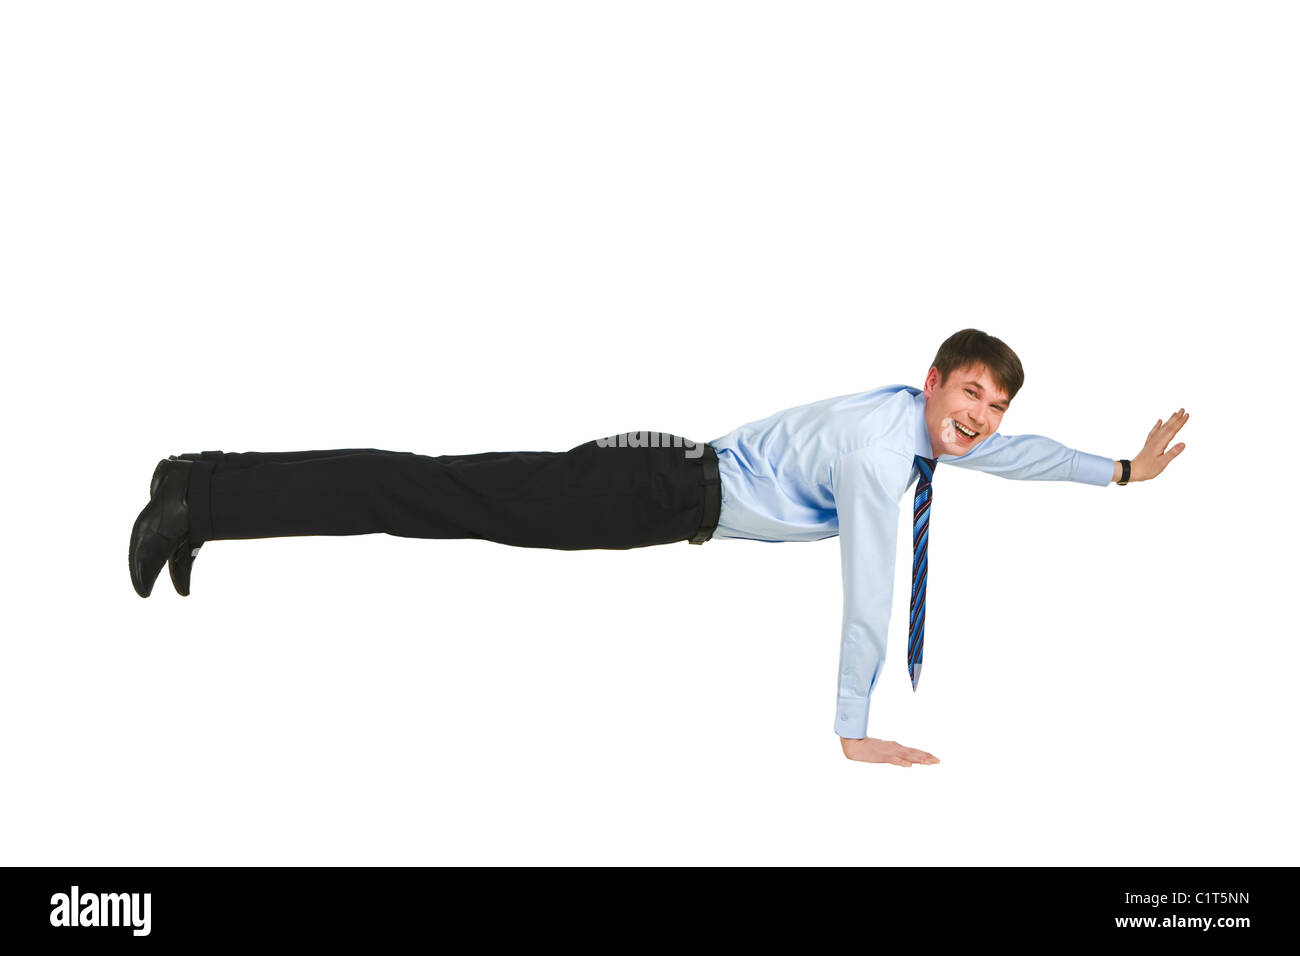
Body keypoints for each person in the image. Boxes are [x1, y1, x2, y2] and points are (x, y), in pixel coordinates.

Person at [128, 329, 1188, 766]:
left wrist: (1119, 471)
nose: (983, 419)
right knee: (435, 490)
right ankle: (199, 489)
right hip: (655, 487)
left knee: (440, 486)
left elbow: (1010, 458)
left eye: (995, 406)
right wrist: (851, 726)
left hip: (662, 475)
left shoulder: (923, 432)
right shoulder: (881, 456)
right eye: (972, 395)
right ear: (932, 382)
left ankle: (210, 493)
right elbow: (872, 587)